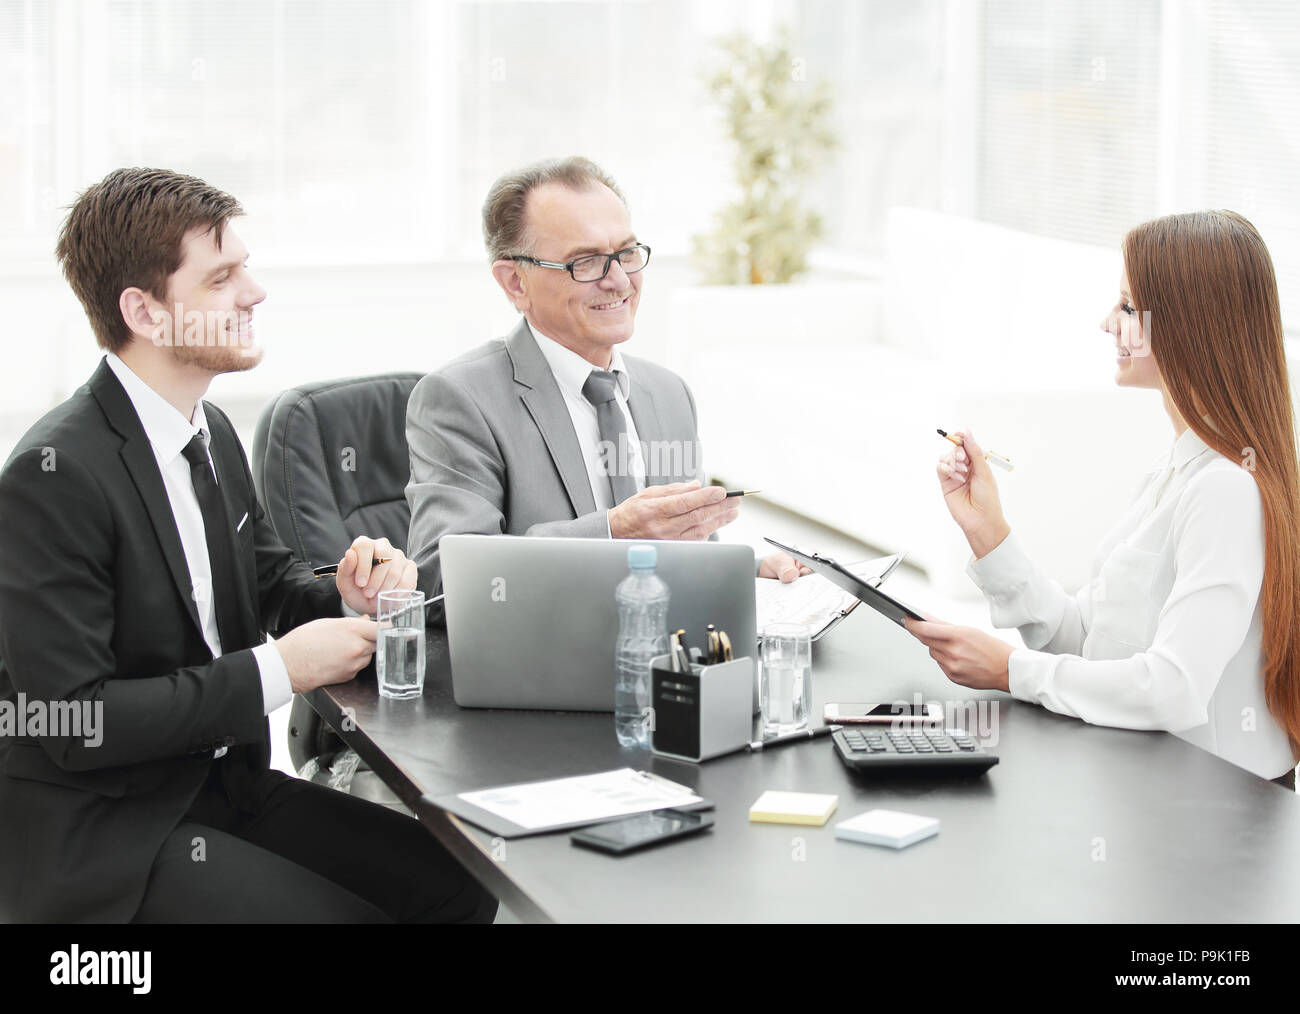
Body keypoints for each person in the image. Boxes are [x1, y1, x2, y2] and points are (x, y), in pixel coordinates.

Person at [0, 167, 497, 922]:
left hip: (223, 789)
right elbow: (75, 721)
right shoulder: (55, 477)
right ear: (146, 311)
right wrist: (279, 670)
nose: (254, 293)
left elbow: (271, 586)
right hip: (110, 832)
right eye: (222, 277)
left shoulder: (209, 430)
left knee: (458, 881)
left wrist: (344, 591)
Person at [905, 210, 1300, 787]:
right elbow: (1086, 640)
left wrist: (1011, 669)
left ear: (1190, 326)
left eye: (1127, 308)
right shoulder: (1174, 473)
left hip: (1212, 815)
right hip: (1150, 788)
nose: (1106, 323)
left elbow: (1174, 688)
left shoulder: (1225, 492)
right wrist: (987, 530)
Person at [404, 156, 808, 601]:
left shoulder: (669, 393)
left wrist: (749, 573)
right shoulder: (459, 399)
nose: (619, 280)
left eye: (627, 253)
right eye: (587, 261)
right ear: (515, 282)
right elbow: (443, 580)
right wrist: (614, 533)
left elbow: (685, 554)